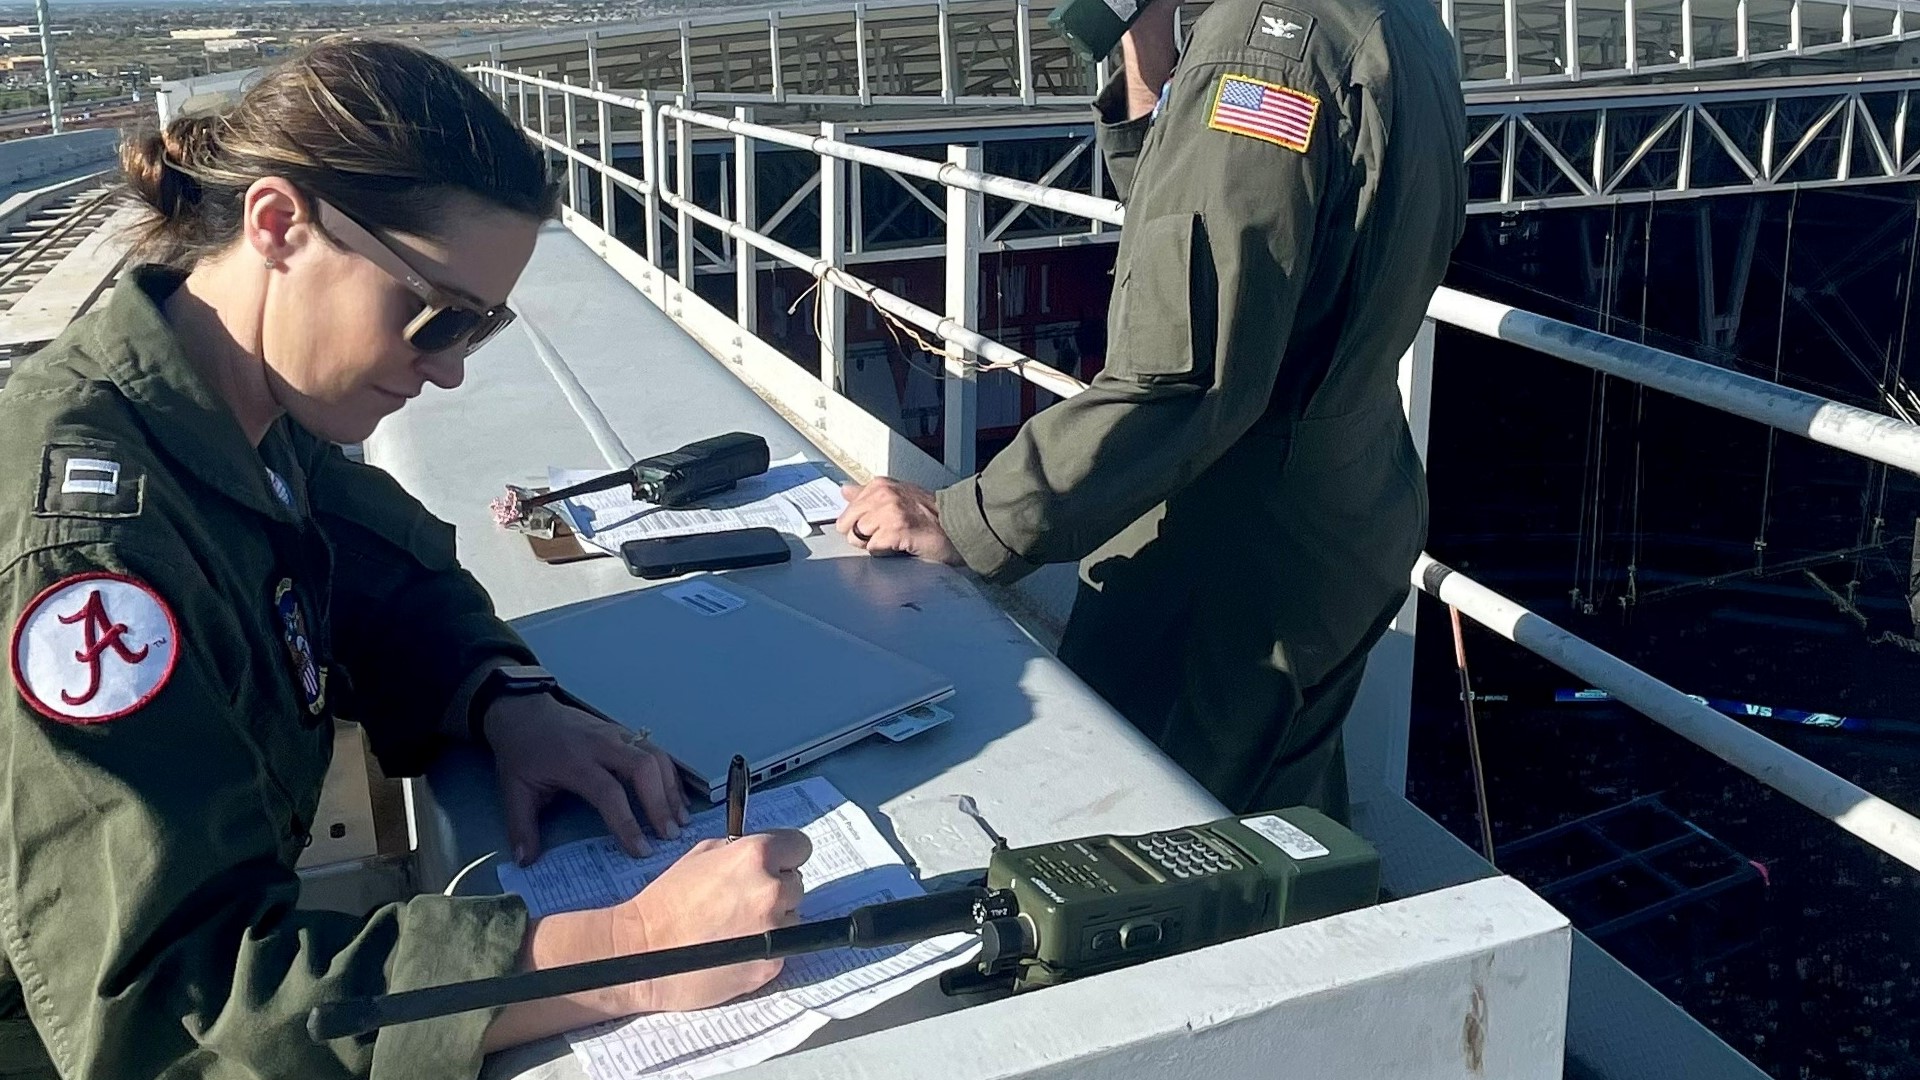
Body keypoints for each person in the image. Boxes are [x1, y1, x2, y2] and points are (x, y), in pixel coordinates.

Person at [0, 39, 808, 1080]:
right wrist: (631, 950)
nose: (449, 372)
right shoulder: (90, 554)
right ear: (281, 226)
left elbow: (390, 580)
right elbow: (173, 1007)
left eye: (481, 329)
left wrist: (504, 700)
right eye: (434, 316)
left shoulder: (234, 406)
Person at [837, 0, 1467, 822]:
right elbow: (1204, 231)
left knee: (1159, 856)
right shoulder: (1394, 20)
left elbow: (1186, 374)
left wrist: (968, 520)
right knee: (1278, 835)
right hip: (1345, 503)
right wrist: (1148, 54)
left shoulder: (1261, 46)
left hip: (1226, 547)